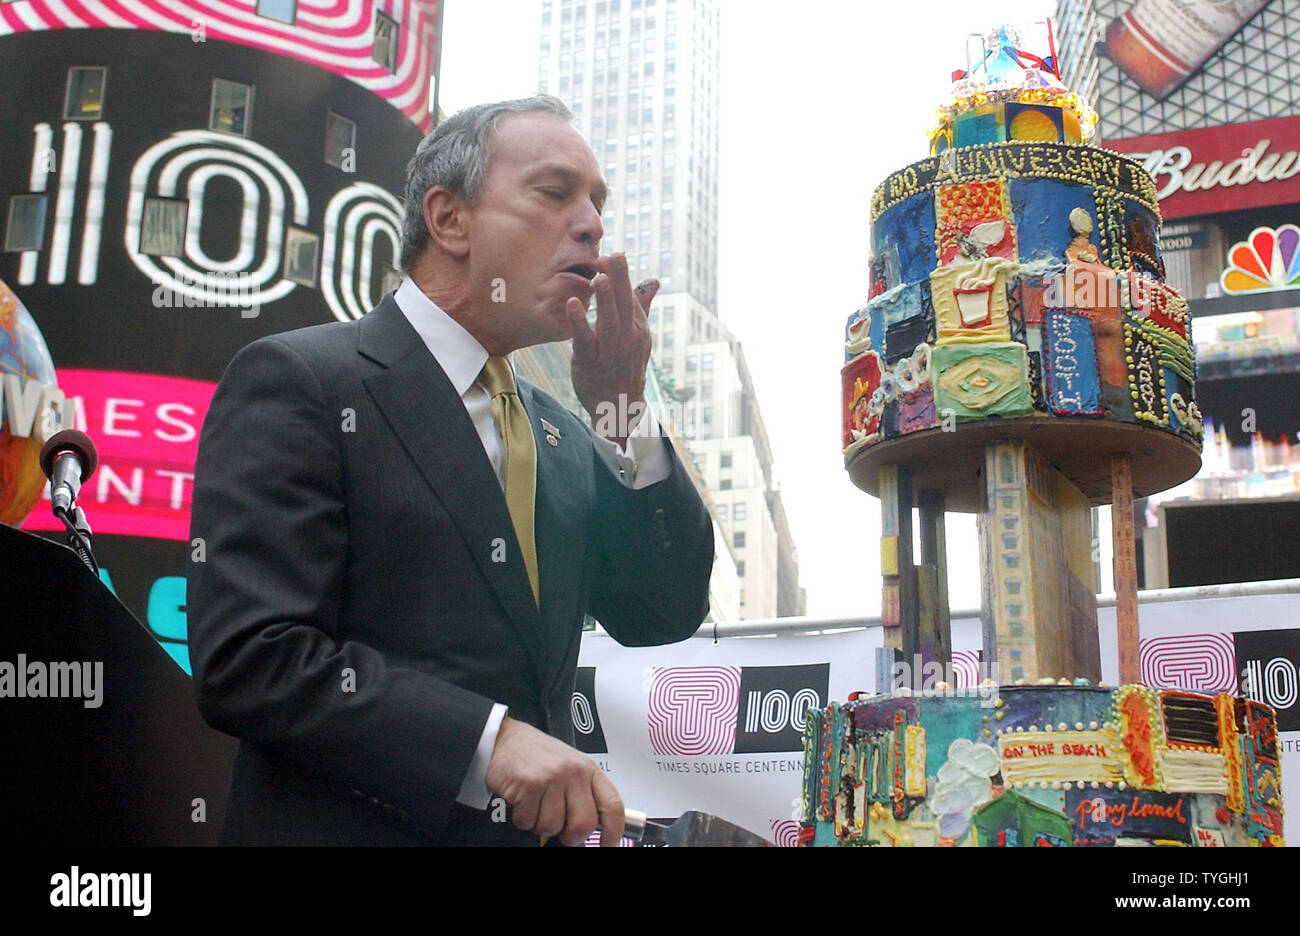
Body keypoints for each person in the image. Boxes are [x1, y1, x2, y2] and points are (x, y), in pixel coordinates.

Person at [187, 96, 715, 847]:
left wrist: (623, 413)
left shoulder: (567, 433)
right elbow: (252, 658)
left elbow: (660, 612)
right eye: (555, 192)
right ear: (449, 219)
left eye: (597, 201)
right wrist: (487, 741)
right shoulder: (301, 379)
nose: (593, 223)